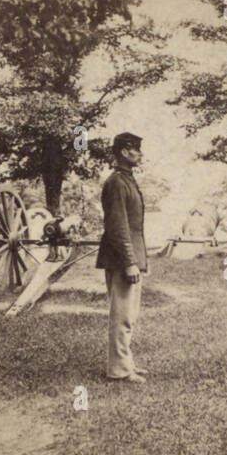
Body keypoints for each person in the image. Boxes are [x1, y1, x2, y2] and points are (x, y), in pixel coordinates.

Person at [95, 132, 150, 383]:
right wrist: (129, 261)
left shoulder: (126, 179)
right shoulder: (117, 182)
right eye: (136, 149)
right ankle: (118, 370)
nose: (140, 154)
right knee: (122, 315)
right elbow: (117, 227)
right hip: (121, 259)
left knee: (129, 315)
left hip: (130, 257)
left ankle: (126, 364)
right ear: (125, 152)